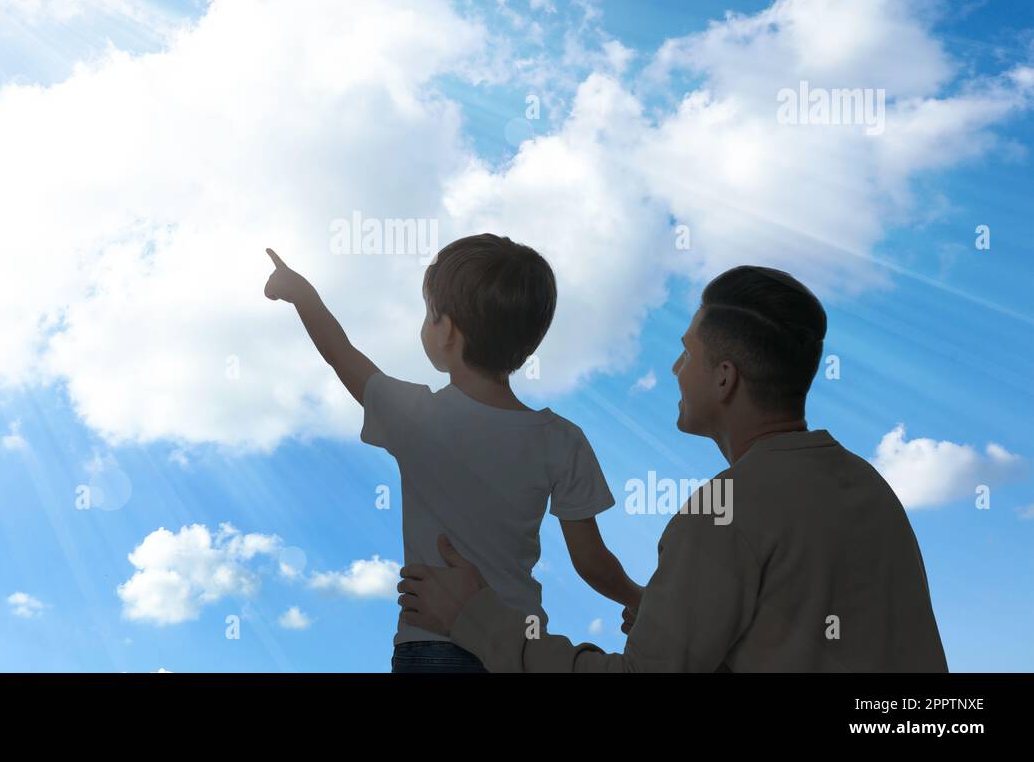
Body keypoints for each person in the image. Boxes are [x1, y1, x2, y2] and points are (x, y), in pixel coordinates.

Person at [398, 266, 949, 672]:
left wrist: (481, 619)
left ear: (725, 379)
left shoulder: (722, 512)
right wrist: (660, 611)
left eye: (688, 353)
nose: (675, 368)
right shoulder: (871, 491)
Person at [264, 234, 642, 673]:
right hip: (519, 648)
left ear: (445, 331)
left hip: (431, 644)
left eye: (429, 313)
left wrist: (301, 294)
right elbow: (592, 562)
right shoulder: (561, 439)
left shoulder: (414, 417)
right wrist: (639, 597)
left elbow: (340, 353)